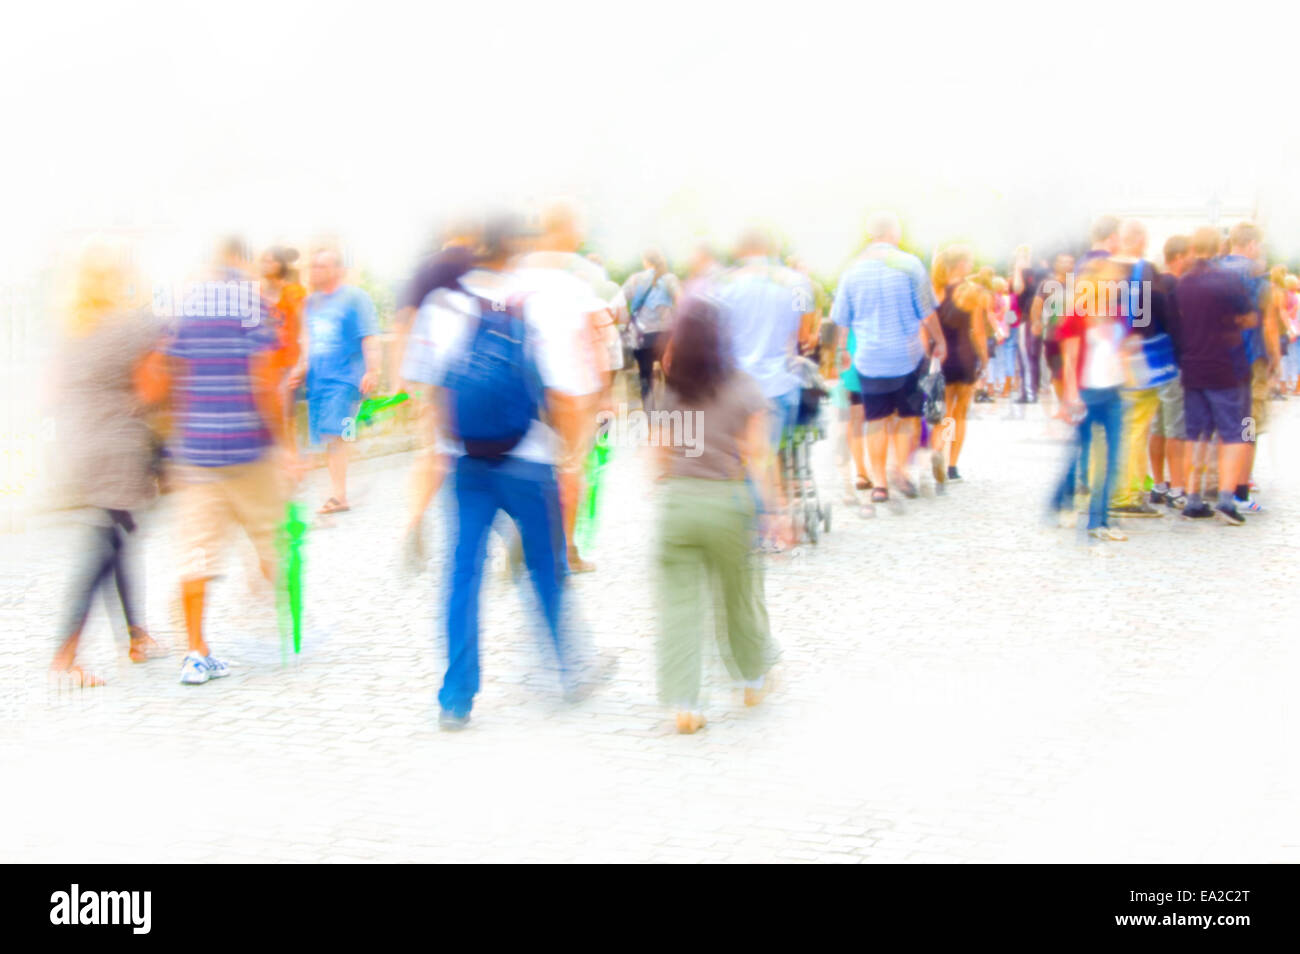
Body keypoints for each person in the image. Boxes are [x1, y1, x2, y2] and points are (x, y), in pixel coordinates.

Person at [405, 215, 604, 730]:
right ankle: (569, 667)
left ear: (475, 248)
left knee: (463, 574)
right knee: (545, 567)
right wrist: (569, 454)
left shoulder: (443, 302)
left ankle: (456, 696)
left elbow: (424, 394)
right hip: (529, 459)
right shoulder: (540, 300)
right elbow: (563, 393)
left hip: (467, 461)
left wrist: (430, 468)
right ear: (515, 250)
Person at [165, 238, 294, 684]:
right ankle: (286, 630)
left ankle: (196, 651)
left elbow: (171, 375)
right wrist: (283, 444)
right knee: (272, 537)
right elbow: (264, 380)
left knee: (196, 549)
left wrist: (180, 434)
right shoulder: (253, 301)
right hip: (248, 447)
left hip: (197, 450)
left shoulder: (188, 302)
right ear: (242, 257)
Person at [48, 240, 167, 687]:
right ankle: (64, 658)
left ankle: (136, 636)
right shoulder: (127, 326)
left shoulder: (70, 329)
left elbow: (52, 390)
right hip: (117, 446)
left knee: (116, 539)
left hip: (79, 444)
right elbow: (156, 377)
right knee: (102, 547)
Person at [655, 297, 775, 734]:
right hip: (727, 501)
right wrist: (772, 511)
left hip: (679, 505)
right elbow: (757, 457)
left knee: (679, 605)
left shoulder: (671, 391)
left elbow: (660, 458)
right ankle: (751, 678)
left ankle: (686, 704)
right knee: (738, 597)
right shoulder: (743, 388)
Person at [831, 212, 946, 507]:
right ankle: (901, 472)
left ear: (871, 234)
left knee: (876, 420)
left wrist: (842, 350)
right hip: (906, 355)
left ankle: (879, 484)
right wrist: (939, 340)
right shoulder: (910, 265)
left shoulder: (852, 270)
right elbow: (927, 310)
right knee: (908, 418)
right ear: (894, 232)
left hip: (870, 358)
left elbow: (842, 318)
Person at [713, 229, 815, 540]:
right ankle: (771, 517)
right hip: (780, 383)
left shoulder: (724, 285)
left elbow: (716, 336)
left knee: (745, 455)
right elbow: (802, 335)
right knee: (768, 453)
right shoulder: (797, 282)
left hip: (737, 385)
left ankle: (756, 525)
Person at [394, 222, 480, 570]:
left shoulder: (425, 269)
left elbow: (403, 323)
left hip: (432, 373)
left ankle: (413, 519)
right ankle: (507, 529)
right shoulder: (483, 266)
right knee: (485, 454)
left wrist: (401, 378)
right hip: (477, 374)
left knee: (430, 453)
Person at [1174, 227, 1255, 525]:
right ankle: (1226, 498)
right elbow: (1249, 317)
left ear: (1193, 247)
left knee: (1195, 434)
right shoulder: (1227, 280)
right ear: (1219, 246)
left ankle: (1192, 498)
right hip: (1226, 367)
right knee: (1233, 434)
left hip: (1193, 367)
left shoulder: (1183, 283)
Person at [288, 247, 379, 515]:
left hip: (346, 378)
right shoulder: (310, 303)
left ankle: (339, 496)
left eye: (322, 266)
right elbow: (307, 340)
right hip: (319, 380)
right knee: (332, 436)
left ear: (338, 269)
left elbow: (370, 335)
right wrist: (300, 367)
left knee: (333, 434)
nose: (315, 270)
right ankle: (352, 442)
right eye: (313, 265)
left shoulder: (355, 298)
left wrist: (373, 370)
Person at [1048, 257, 1129, 543]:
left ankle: (1099, 519)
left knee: (1112, 458)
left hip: (1114, 393)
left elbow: (1119, 349)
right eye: (1114, 281)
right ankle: (1060, 498)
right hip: (1087, 392)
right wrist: (1070, 396)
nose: (1119, 286)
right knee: (1079, 452)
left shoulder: (1117, 313)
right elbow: (1069, 360)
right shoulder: (1077, 315)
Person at [1109, 220, 1175, 519]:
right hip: (1136, 356)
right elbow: (1149, 315)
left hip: (1102, 357)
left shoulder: (1099, 269)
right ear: (1140, 240)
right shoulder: (1143, 270)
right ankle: (1128, 493)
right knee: (1136, 427)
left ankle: (1106, 489)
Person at [1216, 222, 1277, 513]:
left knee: (1223, 423)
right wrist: (1275, 358)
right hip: (1251, 359)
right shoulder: (1258, 279)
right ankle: (1240, 488)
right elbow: (1267, 325)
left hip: (1216, 357)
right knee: (1248, 424)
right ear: (1251, 244)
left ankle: (1220, 486)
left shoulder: (1212, 271)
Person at [930, 249, 990, 482]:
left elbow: (925, 326)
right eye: (970, 262)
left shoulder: (934, 290)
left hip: (942, 356)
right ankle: (952, 467)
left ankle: (937, 449)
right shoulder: (972, 292)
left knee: (943, 412)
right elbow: (979, 331)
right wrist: (984, 360)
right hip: (965, 356)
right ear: (961, 264)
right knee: (960, 413)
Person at [1148, 235, 1192, 509]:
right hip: (1173, 362)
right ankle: (1177, 487)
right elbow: (1181, 326)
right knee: (1176, 427)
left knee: (1157, 426)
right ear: (1179, 256)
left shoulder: (1152, 285)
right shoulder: (1176, 287)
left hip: (1153, 362)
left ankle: (1158, 483)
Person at [256, 245, 306, 442]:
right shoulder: (255, 295)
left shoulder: (293, 292)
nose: (266, 265)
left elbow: (307, 328)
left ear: (281, 264)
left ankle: (291, 467)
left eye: (271, 260)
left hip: (288, 365)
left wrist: (302, 362)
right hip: (264, 367)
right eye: (263, 260)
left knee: (286, 421)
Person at [621, 249, 681, 409]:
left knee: (645, 378)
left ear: (645, 261)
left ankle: (651, 421)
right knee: (670, 377)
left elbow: (619, 301)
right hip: (666, 336)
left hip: (643, 336)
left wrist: (627, 319)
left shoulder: (636, 279)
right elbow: (681, 301)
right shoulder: (669, 278)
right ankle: (671, 418)